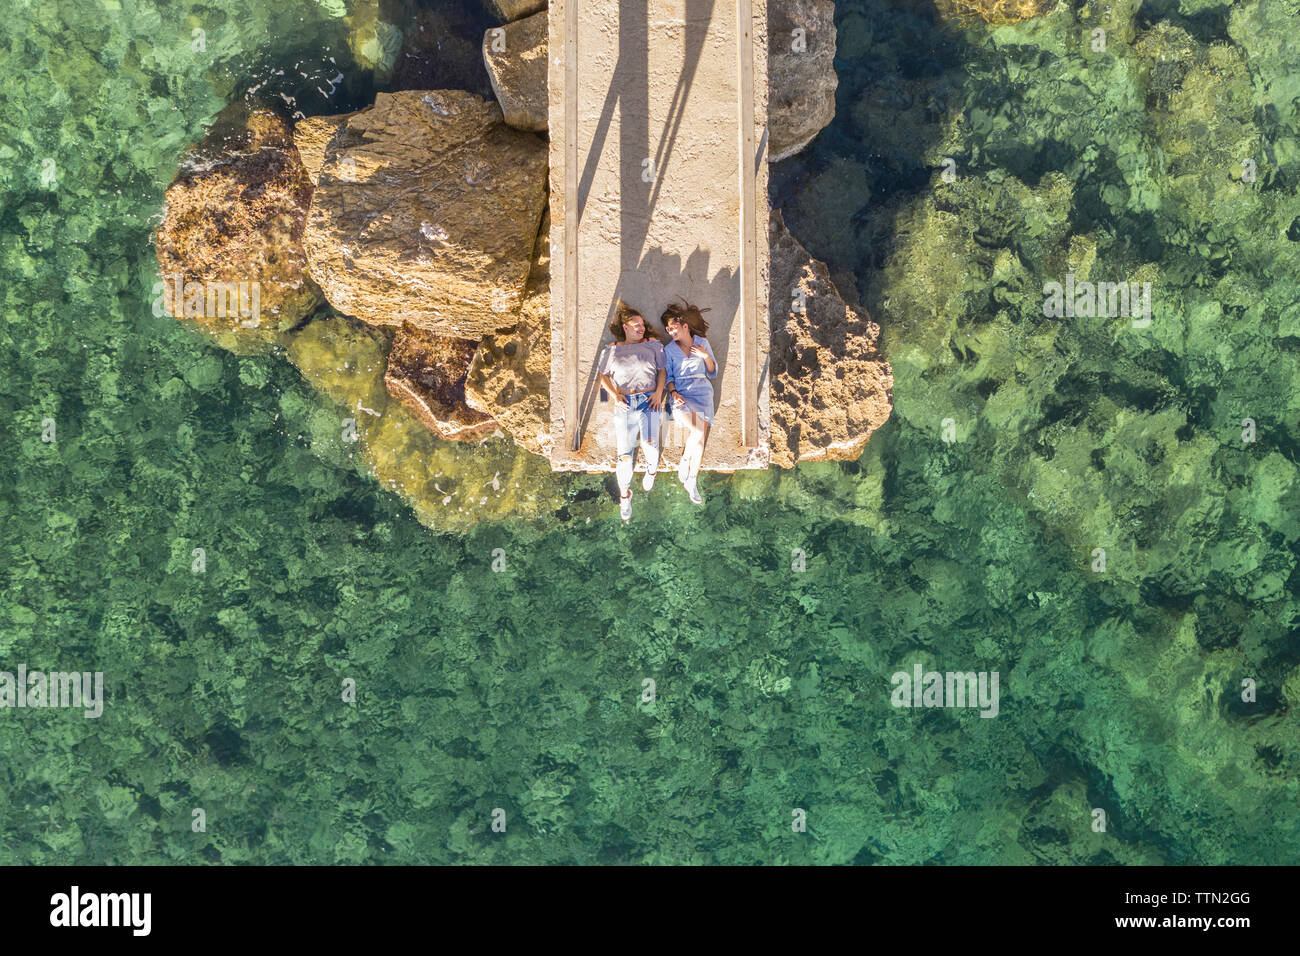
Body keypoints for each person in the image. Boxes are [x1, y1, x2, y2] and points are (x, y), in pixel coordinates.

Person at [596, 301, 666, 521]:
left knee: (649, 444)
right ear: (625, 327)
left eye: (642, 325)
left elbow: (662, 371)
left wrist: (658, 393)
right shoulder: (611, 349)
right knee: (624, 458)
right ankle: (625, 495)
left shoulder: (653, 345)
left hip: (649, 399)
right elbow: (603, 377)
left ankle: (651, 471)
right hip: (625, 403)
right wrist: (615, 396)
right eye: (636, 325)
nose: (641, 328)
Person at [661, 299, 716, 505]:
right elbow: (668, 377)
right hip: (682, 393)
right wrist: (673, 393)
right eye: (668, 329)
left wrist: (704, 356)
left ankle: (692, 480)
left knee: (699, 439)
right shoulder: (669, 350)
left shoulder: (702, 343)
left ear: (684, 326)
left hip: (703, 392)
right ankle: (685, 463)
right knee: (699, 433)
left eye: (673, 327)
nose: (670, 331)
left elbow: (712, 371)